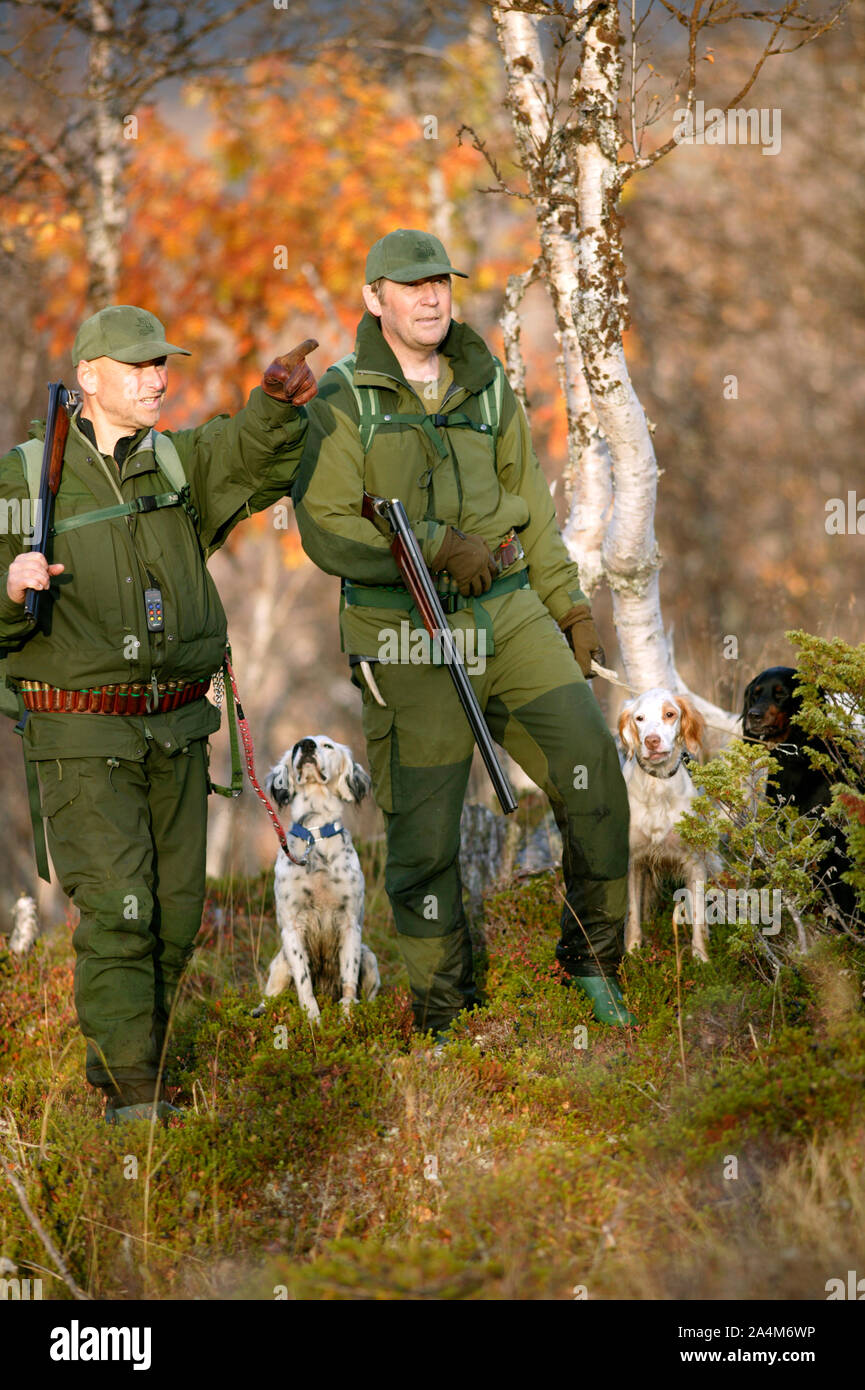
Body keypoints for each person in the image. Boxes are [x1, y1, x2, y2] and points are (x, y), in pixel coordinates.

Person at [292, 229, 635, 1039]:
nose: (431, 298)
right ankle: (446, 1015)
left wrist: (569, 607)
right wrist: (437, 544)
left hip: (512, 610)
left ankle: (590, 962)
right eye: (410, 286)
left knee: (592, 773)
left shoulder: (485, 386)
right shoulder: (343, 398)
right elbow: (326, 528)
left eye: (440, 283)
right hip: (408, 629)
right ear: (375, 297)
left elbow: (535, 510)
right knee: (424, 833)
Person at [0, 304, 316, 1122]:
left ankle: (152, 1071)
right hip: (80, 734)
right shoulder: (25, 478)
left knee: (176, 914)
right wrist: (9, 589)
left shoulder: (175, 465)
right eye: (139, 367)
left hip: (177, 730)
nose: (156, 379)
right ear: (91, 376)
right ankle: (131, 1102)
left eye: (161, 365)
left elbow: (248, 454)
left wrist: (276, 405)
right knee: (119, 910)